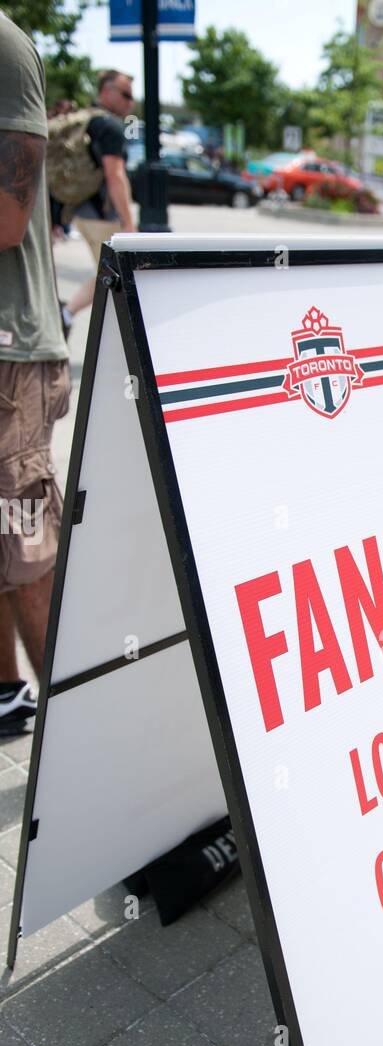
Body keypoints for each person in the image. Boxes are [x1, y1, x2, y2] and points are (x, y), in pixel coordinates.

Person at [0, 12, 70, 734]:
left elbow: (7, 219)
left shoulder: (3, 46)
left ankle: (77, 731)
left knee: (23, 546)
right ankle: (8, 697)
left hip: (10, 356)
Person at [64, 69, 136, 326]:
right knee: (118, 276)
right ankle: (66, 315)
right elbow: (115, 176)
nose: (132, 101)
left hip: (79, 212)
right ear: (107, 91)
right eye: (126, 94)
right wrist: (129, 224)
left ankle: (66, 315)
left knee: (110, 274)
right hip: (102, 216)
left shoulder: (85, 121)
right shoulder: (110, 127)